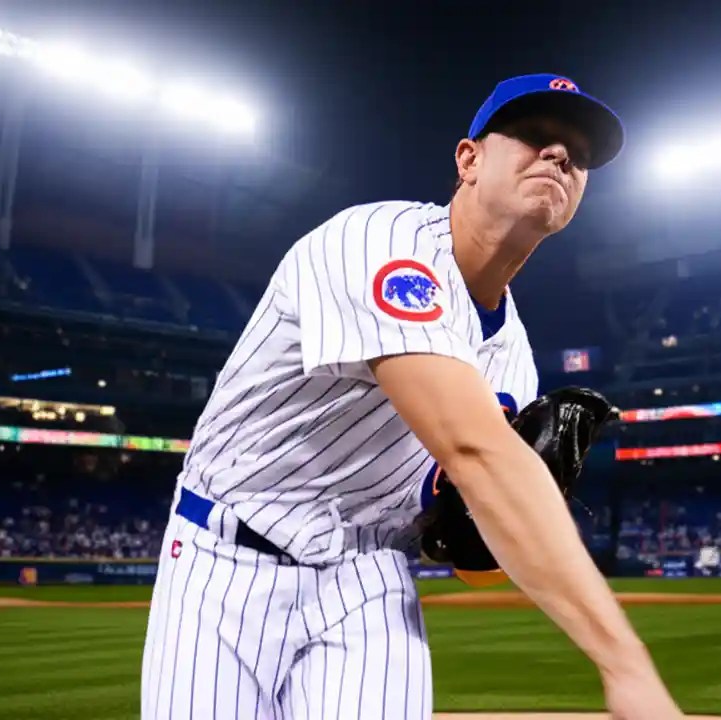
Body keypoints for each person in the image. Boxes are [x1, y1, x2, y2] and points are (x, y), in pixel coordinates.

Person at [141, 73, 684, 719]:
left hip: (371, 575)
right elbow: (474, 450)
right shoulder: (375, 243)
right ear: (469, 160)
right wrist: (626, 667)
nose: (561, 156)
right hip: (224, 552)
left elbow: (466, 547)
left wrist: (473, 529)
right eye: (536, 136)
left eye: (579, 154)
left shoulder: (513, 361)